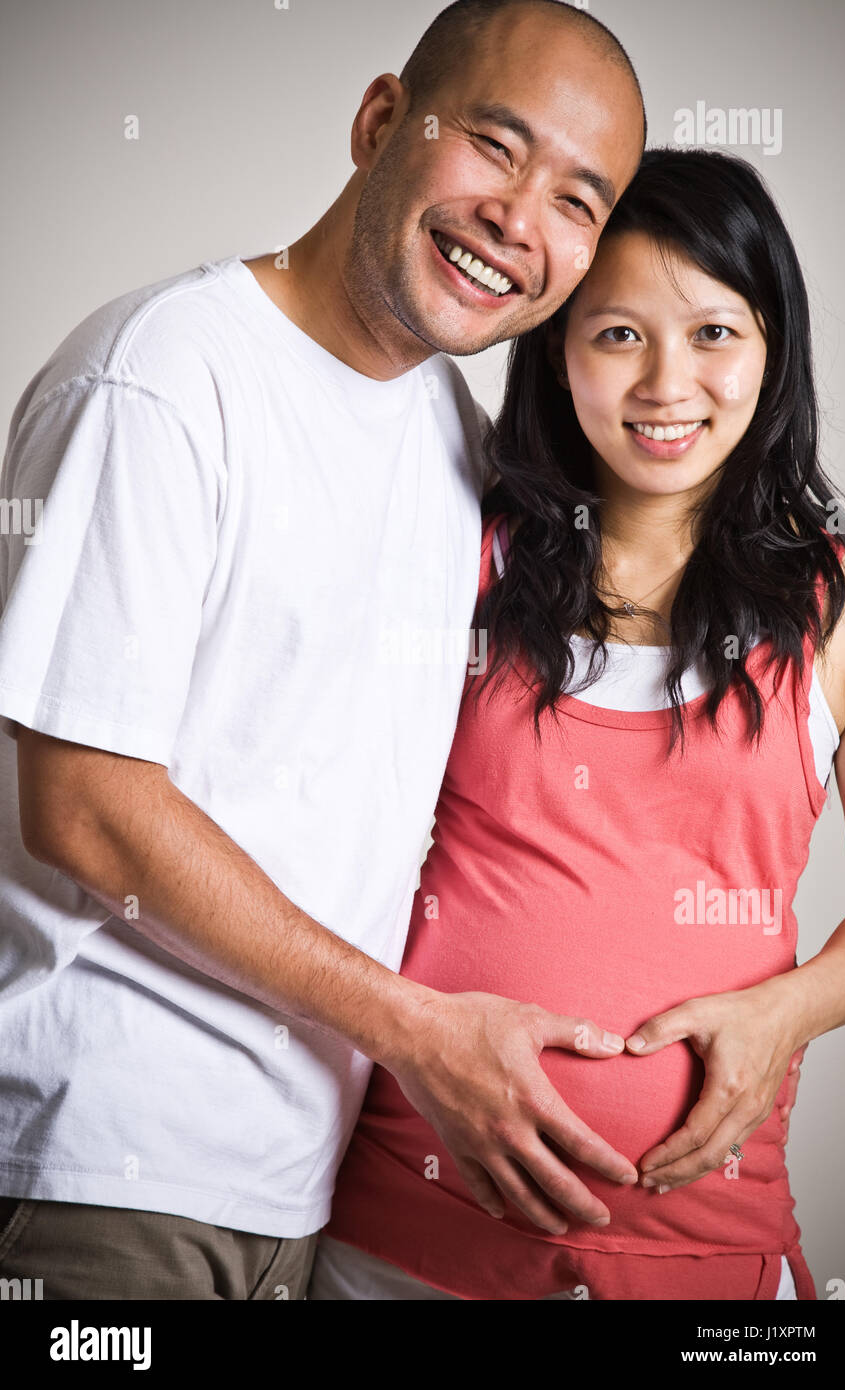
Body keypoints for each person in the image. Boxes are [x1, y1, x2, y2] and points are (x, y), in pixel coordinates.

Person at [0, 1, 646, 1299]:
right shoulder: (166, 378)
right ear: (377, 122)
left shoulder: (452, 441)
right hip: (104, 1167)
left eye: (579, 200)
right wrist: (419, 1033)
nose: (520, 220)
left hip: (300, 1178)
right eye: (493, 145)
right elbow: (85, 807)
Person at [311, 147, 845, 1301]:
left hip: (701, 1250)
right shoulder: (463, 555)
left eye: (714, 332)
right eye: (617, 334)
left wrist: (782, 1011)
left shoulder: (841, 607)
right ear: (556, 353)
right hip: (405, 1234)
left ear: (773, 348)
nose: (666, 382)